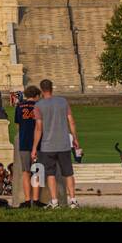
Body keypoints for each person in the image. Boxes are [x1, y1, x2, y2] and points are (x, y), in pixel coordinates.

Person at [31, 79, 79, 209]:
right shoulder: (63, 102)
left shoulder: (39, 105)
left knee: (50, 174)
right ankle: (73, 200)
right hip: (63, 143)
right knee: (68, 173)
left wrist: (34, 147)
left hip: (48, 145)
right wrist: (75, 139)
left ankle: (54, 201)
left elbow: (39, 128)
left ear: (41, 90)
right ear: (52, 88)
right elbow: (71, 122)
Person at [13, 84, 42, 208]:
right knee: (36, 171)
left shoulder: (19, 106)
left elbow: (18, 125)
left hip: (24, 142)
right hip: (38, 142)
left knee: (25, 172)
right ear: (36, 96)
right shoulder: (39, 106)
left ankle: (26, 200)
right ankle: (36, 200)